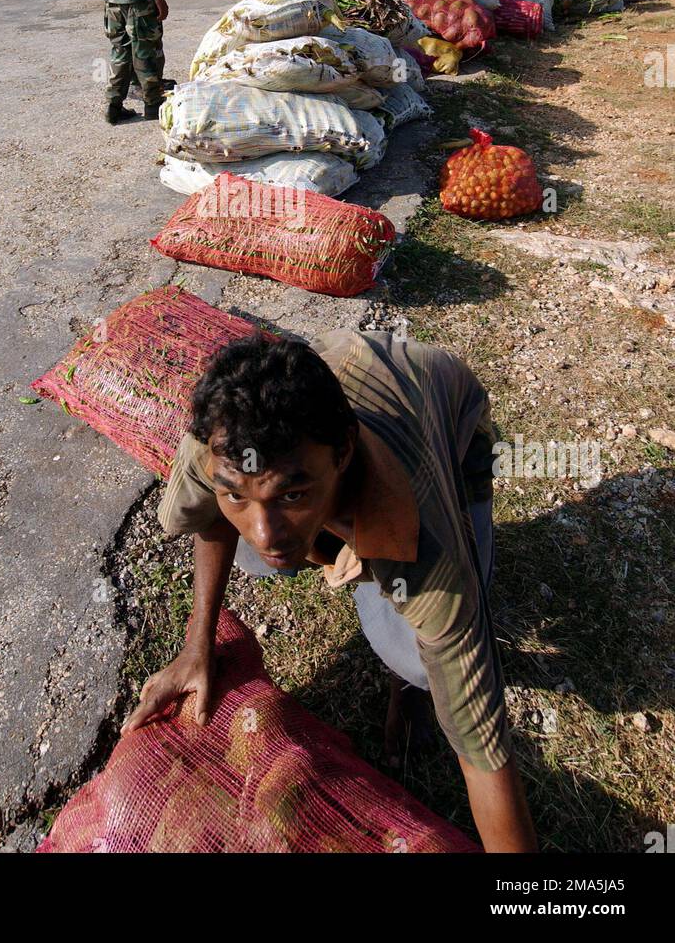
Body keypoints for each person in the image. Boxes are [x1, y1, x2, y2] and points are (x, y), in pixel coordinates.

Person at [122, 331, 538, 855]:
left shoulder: (423, 533)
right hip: (351, 386)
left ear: (343, 452)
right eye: (238, 496)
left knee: (415, 657)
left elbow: (484, 751)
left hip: (452, 424)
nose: (265, 530)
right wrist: (195, 646)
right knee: (258, 550)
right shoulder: (219, 441)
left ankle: (405, 687)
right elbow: (209, 512)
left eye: (292, 494)